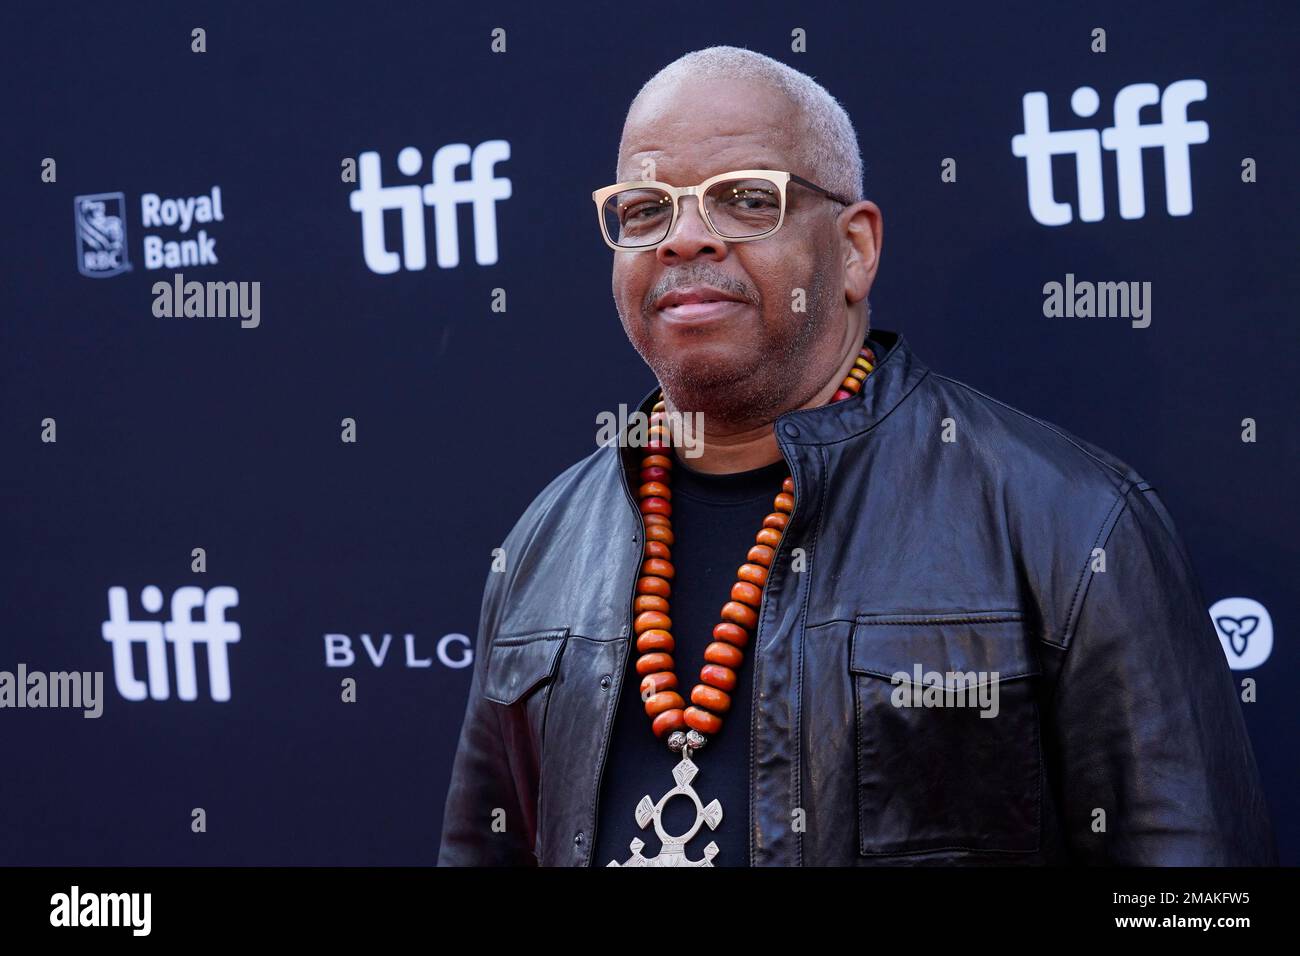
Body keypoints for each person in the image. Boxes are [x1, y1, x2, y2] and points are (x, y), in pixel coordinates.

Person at [437, 46, 1276, 866]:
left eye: (743, 199)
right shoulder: (544, 544)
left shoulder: (1073, 521)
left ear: (855, 248)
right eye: (647, 209)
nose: (683, 239)